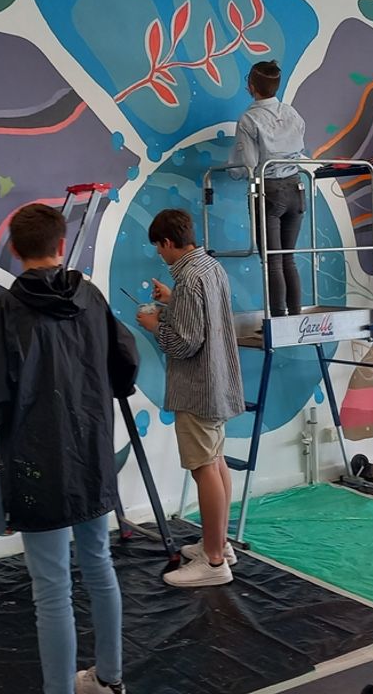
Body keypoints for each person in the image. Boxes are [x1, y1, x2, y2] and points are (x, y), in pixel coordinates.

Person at [0, 203, 139, 694]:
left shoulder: (7, 312)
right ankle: (110, 677)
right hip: (90, 453)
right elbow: (124, 363)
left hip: (36, 460)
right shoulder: (92, 299)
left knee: (52, 589)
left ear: (15, 250)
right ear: (60, 246)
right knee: (99, 564)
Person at [136, 209, 244, 588]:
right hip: (219, 383)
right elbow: (201, 320)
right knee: (215, 462)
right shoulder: (210, 268)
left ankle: (213, 563)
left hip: (198, 388)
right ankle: (220, 544)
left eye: (159, 249)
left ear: (167, 242)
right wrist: (172, 302)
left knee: (203, 468)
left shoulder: (190, 279)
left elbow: (183, 343)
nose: (160, 257)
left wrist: (153, 325)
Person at [230, 60, 309, 317]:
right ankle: (296, 315)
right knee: (288, 257)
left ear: (251, 86)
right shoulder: (293, 113)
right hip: (296, 188)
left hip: (269, 191)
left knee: (272, 261)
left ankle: (277, 318)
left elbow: (249, 165)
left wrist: (232, 171)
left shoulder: (249, 119)